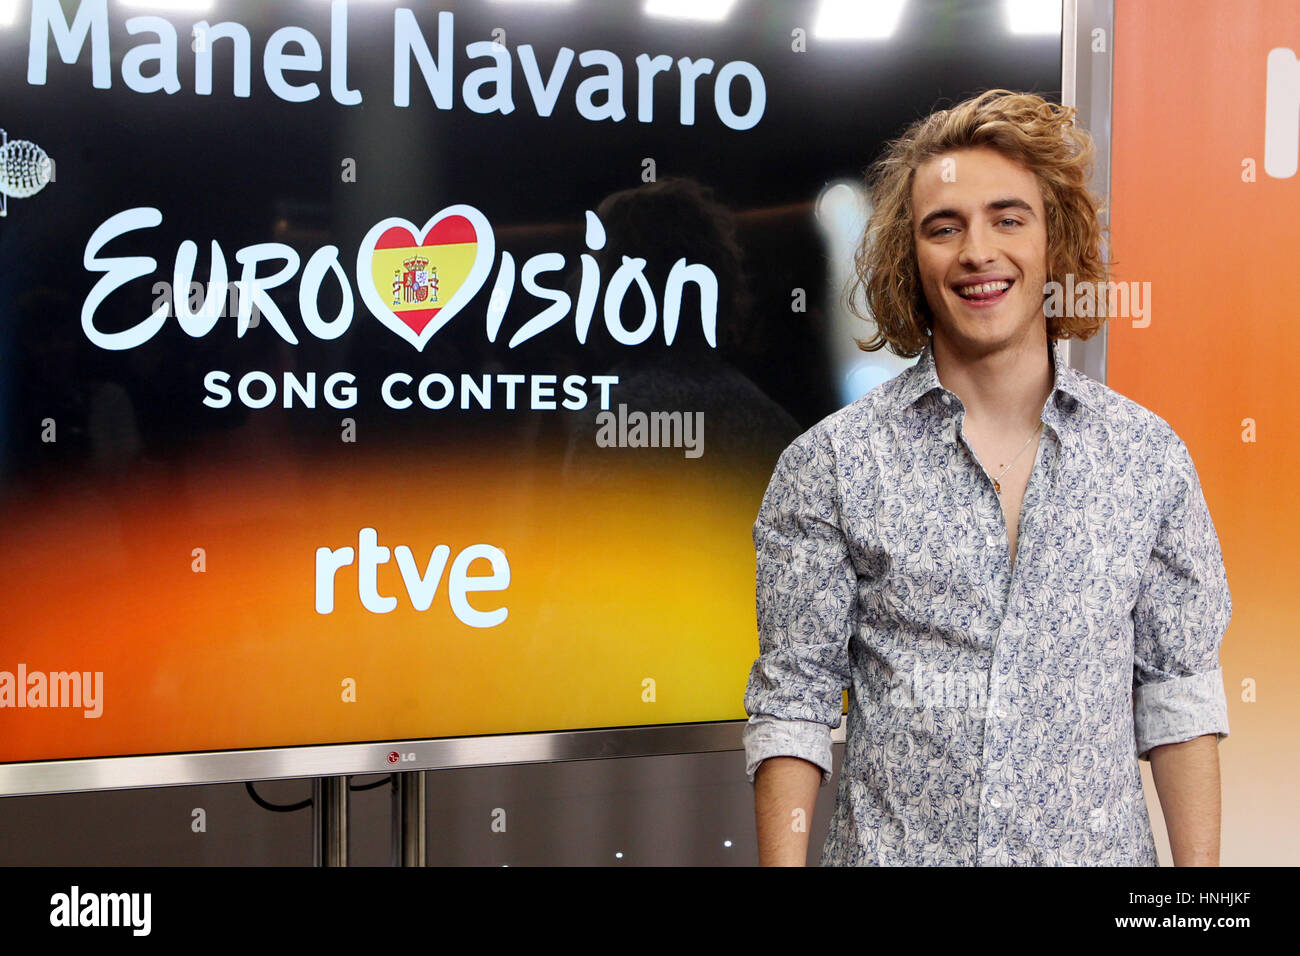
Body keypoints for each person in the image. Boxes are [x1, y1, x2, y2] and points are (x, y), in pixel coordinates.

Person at [742, 89, 1231, 866]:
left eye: (1009, 218)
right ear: (911, 256)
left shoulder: (1148, 459)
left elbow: (1178, 695)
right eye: (945, 227)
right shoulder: (828, 466)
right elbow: (792, 708)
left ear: (1056, 243)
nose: (978, 252)